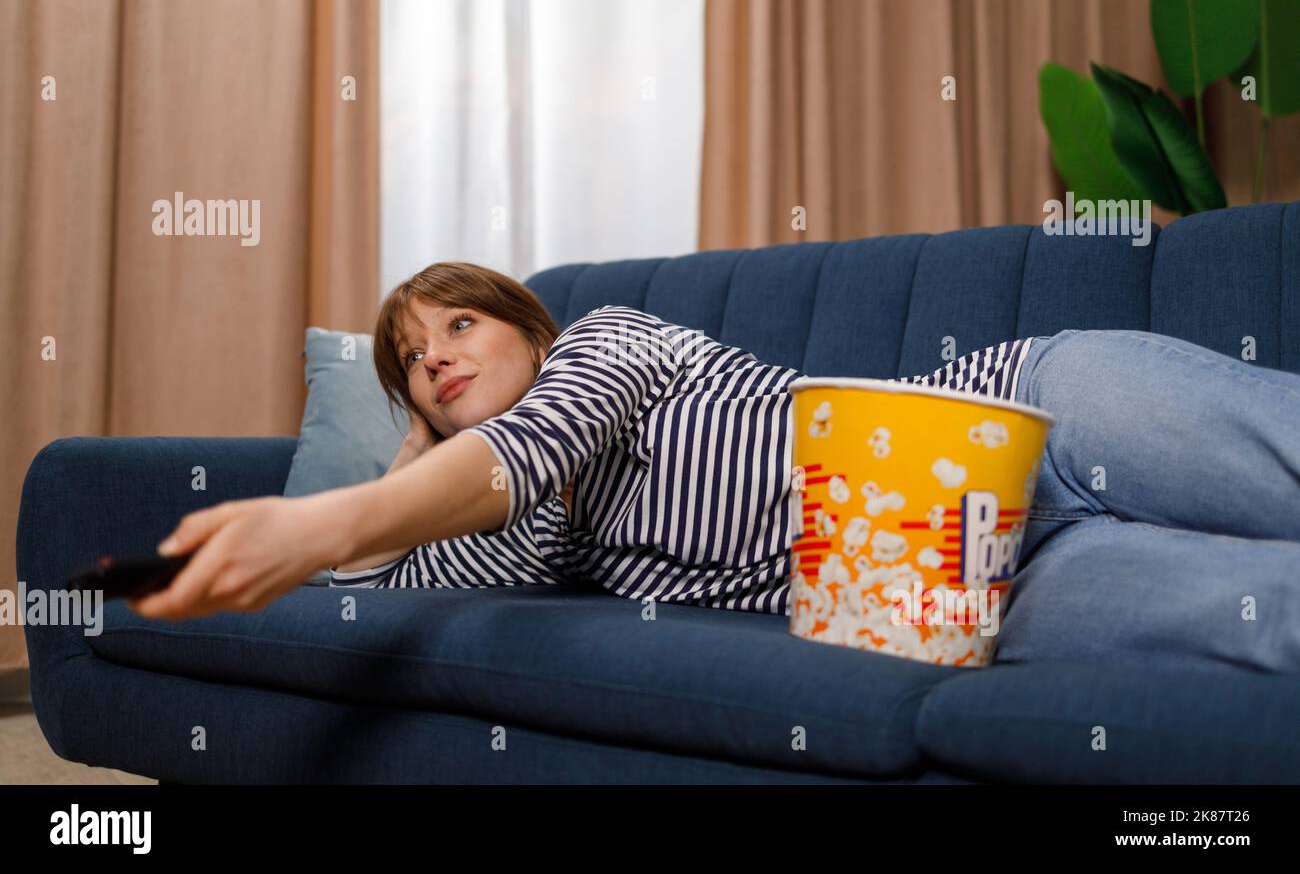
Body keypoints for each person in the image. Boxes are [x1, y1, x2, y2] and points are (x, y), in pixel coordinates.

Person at [130, 263, 1300, 673]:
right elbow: (379, 585)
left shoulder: (608, 342)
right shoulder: (510, 532)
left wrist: (327, 519)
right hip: (951, 583)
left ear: (529, 327)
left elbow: (523, 453)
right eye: (410, 358)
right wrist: (406, 452)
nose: (434, 358)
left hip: (1032, 404)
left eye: (459, 328)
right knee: (1268, 620)